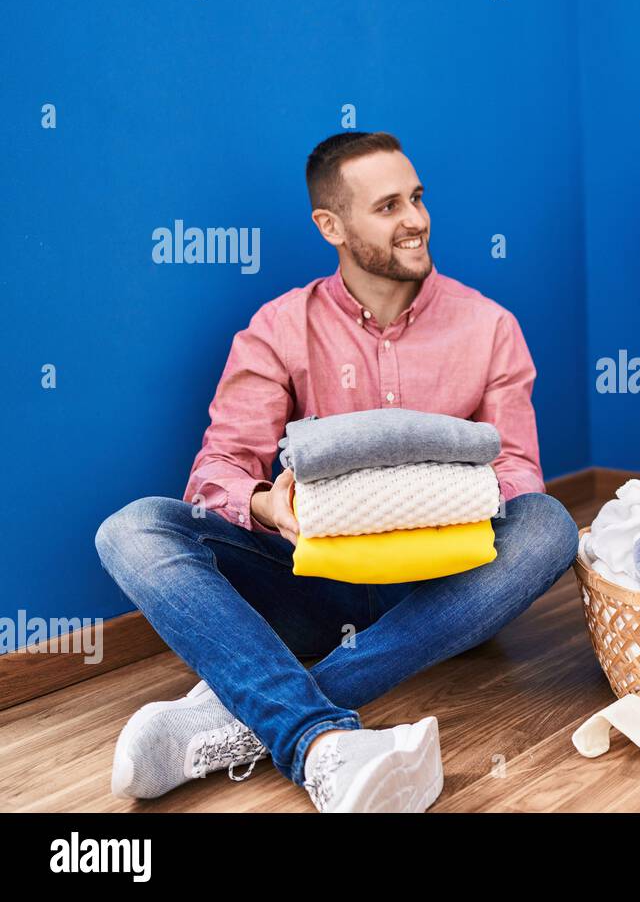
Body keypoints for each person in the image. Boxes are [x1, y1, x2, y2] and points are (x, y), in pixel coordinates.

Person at [94, 131, 579, 812]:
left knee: (550, 526)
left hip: (441, 589)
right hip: (311, 582)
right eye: (388, 207)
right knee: (132, 528)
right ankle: (313, 733)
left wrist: (423, 504)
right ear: (331, 225)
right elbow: (218, 470)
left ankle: (252, 713)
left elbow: (519, 477)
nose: (415, 220)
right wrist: (269, 505)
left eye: (417, 198)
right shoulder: (280, 327)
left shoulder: (489, 327)